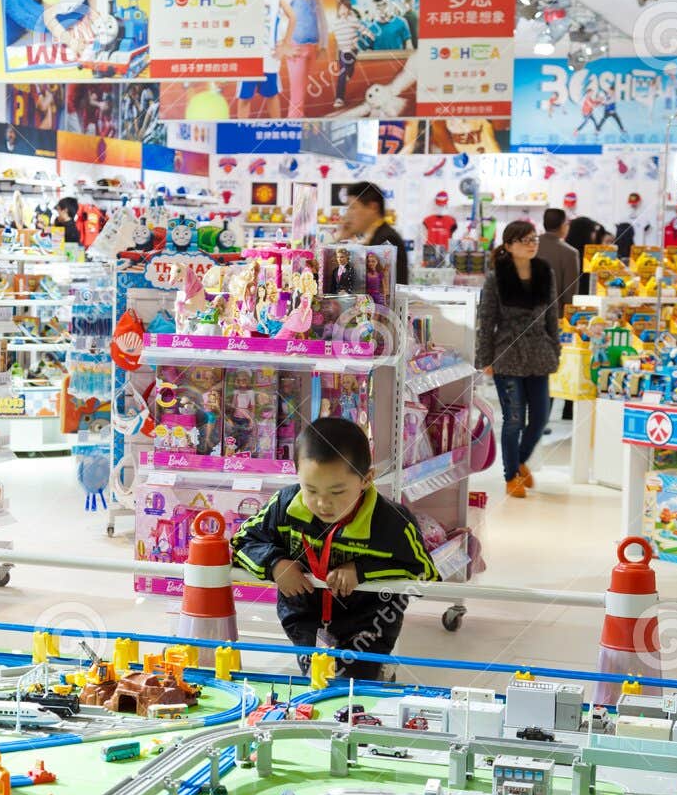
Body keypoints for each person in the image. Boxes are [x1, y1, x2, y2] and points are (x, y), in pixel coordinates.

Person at [232, 417, 438, 681]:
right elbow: (241, 542)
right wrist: (274, 563)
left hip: (369, 622)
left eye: (337, 492)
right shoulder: (283, 505)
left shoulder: (392, 522)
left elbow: (424, 574)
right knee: (318, 683)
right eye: (310, 489)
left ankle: (377, 677)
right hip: (305, 618)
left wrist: (362, 572)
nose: (322, 503)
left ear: (367, 479)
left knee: (349, 687)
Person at [476, 220, 558, 498]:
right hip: (507, 355)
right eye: (524, 240)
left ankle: (520, 459)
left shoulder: (545, 272)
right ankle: (510, 475)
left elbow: (552, 316)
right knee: (513, 420)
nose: (532, 244)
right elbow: (486, 321)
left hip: (539, 353)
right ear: (509, 246)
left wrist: (555, 349)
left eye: (534, 239)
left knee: (540, 417)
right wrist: (485, 358)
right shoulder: (496, 277)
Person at [238, 0, 285, 119]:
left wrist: (284, 43)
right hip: (248, 58)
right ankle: (241, 132)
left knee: (272, 95)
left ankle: (278, 129)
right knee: (244, 97)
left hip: (269, 57)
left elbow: (288, 20)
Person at [278, 0, 325, 119]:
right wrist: (284, 46)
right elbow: (278, 17)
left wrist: (324, 44)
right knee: (297, 96)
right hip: (296, 48)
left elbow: (321, 19)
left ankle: (298, 124)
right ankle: (294, 129)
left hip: (312, 47)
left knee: (302, 94)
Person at [335, 181, 408, 286]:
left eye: (353, 207)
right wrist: (341, 238)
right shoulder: (374, 236)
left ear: (373, 207)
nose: (347, 215)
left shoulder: (387, 239)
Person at [330, 0, 371, 109]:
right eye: (341, 8)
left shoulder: (353, 20)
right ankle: (339, 98)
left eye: (345, 8)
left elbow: (362, 28)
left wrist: (369, 34)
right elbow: (328, 30)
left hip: (353, 50)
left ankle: (349, 74)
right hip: (343, 51)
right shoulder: (335, 22)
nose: (343, 11)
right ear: (338, 11)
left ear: (349, 10)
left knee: (351, 67)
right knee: (342, 73)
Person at [537, 208, 580, 315]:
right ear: (563, 225)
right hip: (555, 315)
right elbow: (569, 293)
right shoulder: (570, 253)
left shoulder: (530, 246)